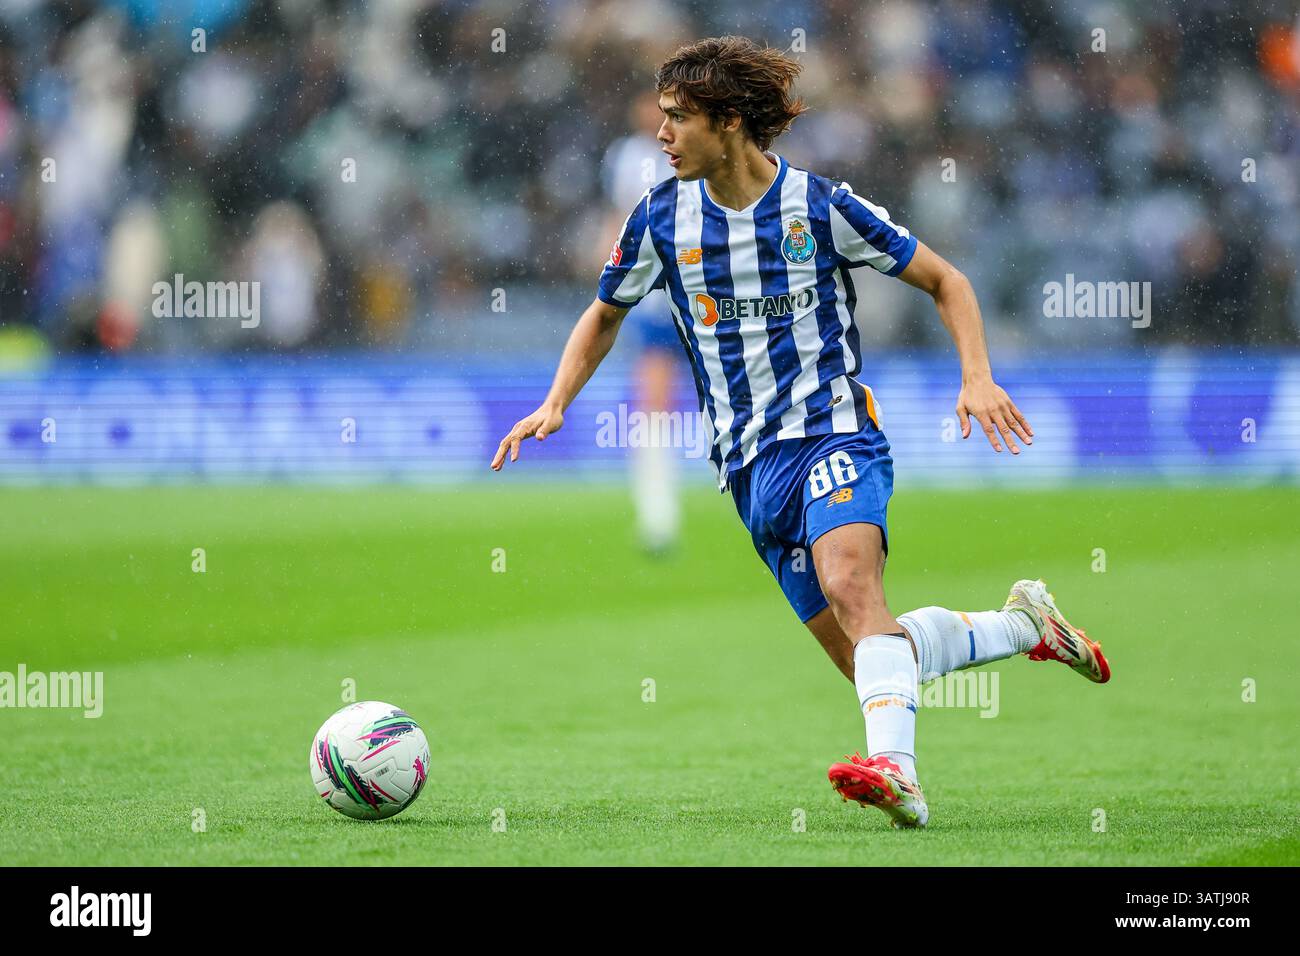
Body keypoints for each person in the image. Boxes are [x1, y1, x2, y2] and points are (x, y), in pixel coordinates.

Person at [491, 36, 1110, 828]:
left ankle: (897, 774)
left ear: (731, 123)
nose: (661, 134)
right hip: (749, 470)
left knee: (856, 588)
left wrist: (977, 376)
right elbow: (605, 313)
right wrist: (557, 400)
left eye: (679, 119)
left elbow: (945, 280)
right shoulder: (658, 218)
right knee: (870, 654)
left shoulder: (820, 207)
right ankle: (1023, 625)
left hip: (833, 431)